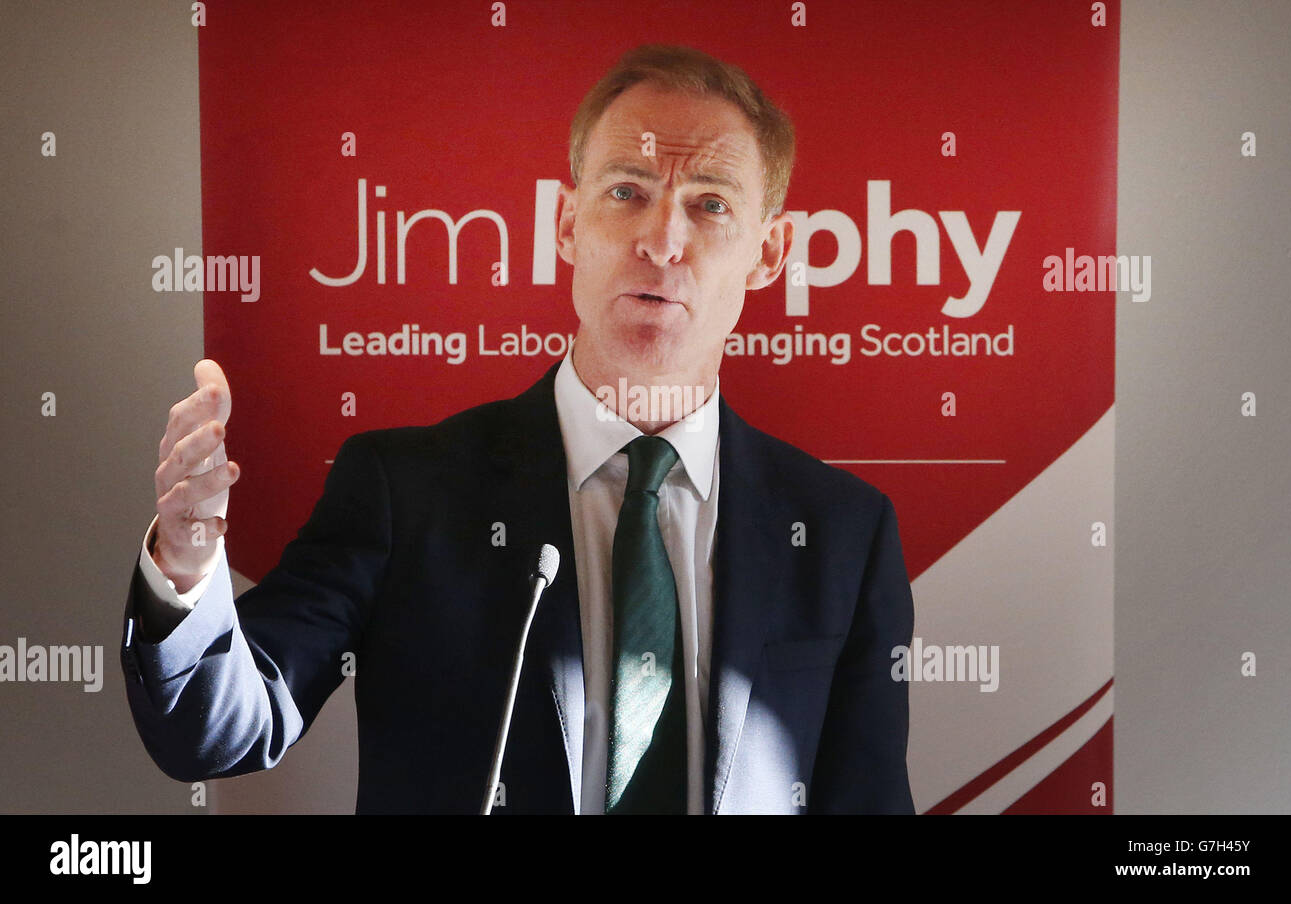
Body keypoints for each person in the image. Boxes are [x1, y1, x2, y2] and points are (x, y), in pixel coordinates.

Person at [121, 44, 915, 814]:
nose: (661, 241)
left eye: (710, 204)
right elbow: (217, 731)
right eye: (627, 191)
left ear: (769, 253)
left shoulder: (844, 532)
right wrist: (187, 567)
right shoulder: (404, 489)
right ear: (567, 226)